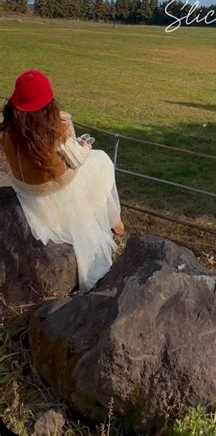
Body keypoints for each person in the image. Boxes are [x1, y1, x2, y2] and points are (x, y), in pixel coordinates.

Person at [1, 70, 124, 293]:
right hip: (58, 189)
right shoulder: (56, 127)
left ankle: (112, 218)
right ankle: (112, 217)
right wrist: (85, 146)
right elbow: (76, 160)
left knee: (93, 165)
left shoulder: (9, 129)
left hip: (27, 192)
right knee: (102, 160)